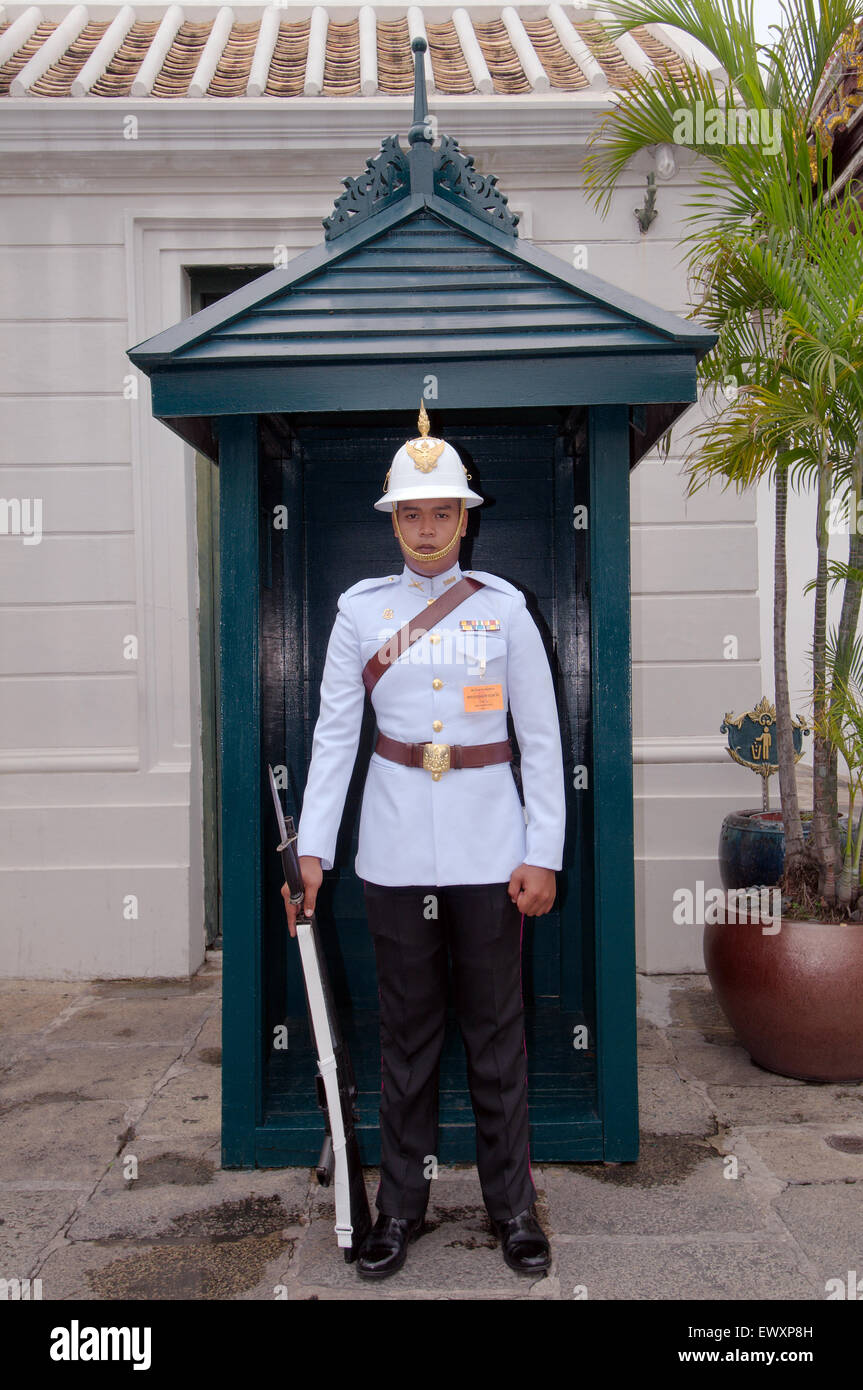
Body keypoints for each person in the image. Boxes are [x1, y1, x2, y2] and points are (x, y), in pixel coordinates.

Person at [282, 405, 566, 1278]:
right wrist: (314, 850)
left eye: (443, 511)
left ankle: (511, 1205)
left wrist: (542, 851)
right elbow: (335, 736)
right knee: (403, 1038)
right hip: (397, 849)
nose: (429, 527)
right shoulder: (360, 614)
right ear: (394, 520)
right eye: (412, 513)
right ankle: (398, 1210)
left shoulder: (505, 612)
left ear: (465, 517)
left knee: (495, 1033)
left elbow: (543, 739)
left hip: (491, 848)